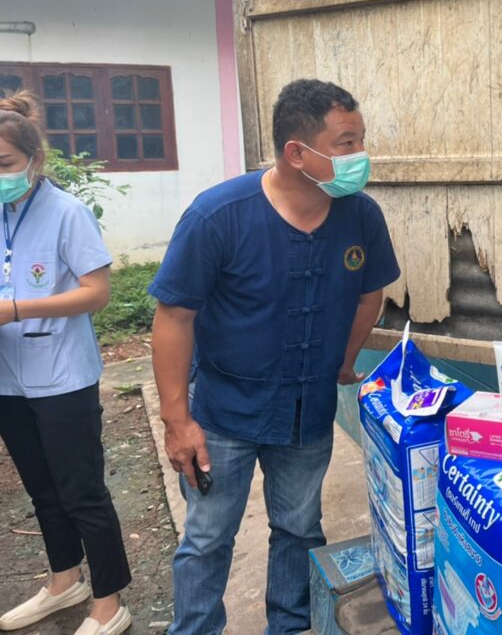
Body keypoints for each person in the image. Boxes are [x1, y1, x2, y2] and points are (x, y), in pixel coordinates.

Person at [150, 79, 400, 634]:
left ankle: (289, 627)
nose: (361, 156)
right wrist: (176, 419)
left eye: (361, 140)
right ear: (297, 152)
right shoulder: (218, 216)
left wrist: (344, 359)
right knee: (209, 538)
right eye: (346, 143)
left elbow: (369, 294)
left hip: (307, 412)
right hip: (223, 413)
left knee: (299, 528)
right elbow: (174, 318)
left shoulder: (360, 215)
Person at [0, 92, 132, 635]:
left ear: (34, 159)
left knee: (82, 491)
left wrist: (14, 308)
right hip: (8, 377)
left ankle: (109, 601)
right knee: (42, 488)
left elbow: (96, 293)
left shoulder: (67, 213)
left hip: (62, 375)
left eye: (5, 165)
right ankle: (64, 580)